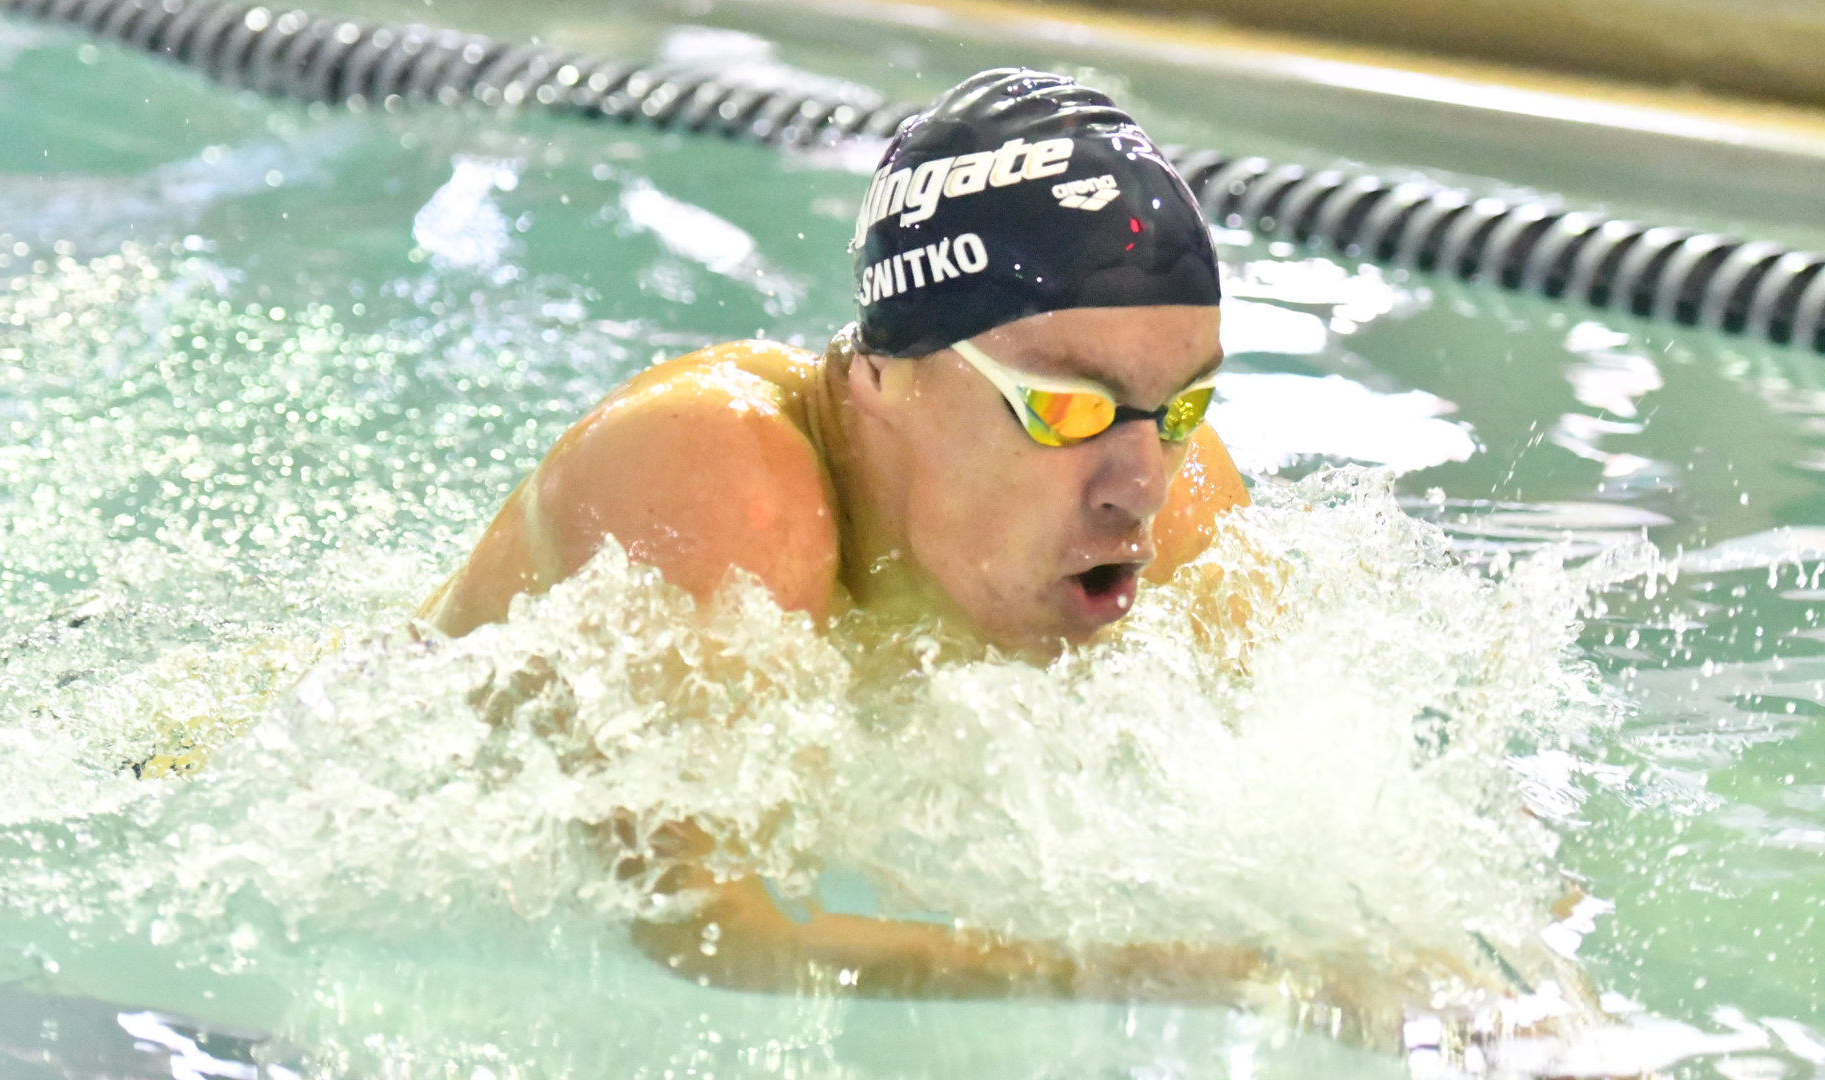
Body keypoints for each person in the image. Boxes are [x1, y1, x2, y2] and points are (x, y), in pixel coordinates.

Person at [415, 69, 1497, 1045]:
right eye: (1065, 406)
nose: (1140, 486)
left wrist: (1523, 1009)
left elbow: (1357, 829)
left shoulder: (1177, 486)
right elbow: (707, 924)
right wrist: (1166, 976)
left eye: (1178, 404)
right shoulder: (717, 481)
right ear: (890, 374)